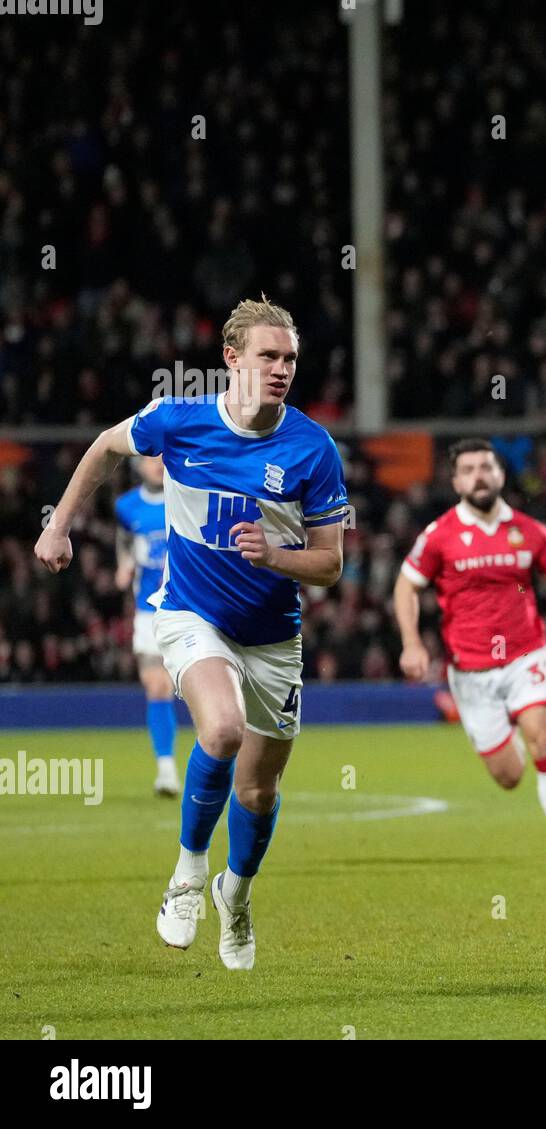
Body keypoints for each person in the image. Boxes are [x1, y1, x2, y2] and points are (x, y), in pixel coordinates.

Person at [34, 295, 349, 970]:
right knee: (222, 730)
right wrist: (58, 525)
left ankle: (236, 898)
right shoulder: (178, 419)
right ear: (232, 358)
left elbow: (330, 563)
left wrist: (275, 554)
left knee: (258, 791)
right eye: (269, 355)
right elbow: (104, 447)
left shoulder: (312, 447)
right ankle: (188, 874)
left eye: (290, 358)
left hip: (272, 636)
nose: (282, 368)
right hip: (190, 614)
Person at [394, 438, 546, 870]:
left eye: (485, 467)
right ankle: (508, 733)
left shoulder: (531, 531)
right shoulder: (438, 536)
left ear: (501, 475)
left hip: (527, 655)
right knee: (508, 777)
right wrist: (412, 642)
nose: (478, 476)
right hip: (470, 671)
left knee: (543, 737)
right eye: (468, 470)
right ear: (454, 481)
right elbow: (406, 585)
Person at [114, 454, 179, 795]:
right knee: (157, 686)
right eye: (149, 457)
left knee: (200, 693)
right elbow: (124, 541)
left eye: (163, 456)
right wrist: (124, 565)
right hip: (147, 611)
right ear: (137, 465)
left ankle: (216, 765)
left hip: (188, 608)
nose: (158, 462)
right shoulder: (125, 506)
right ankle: (166, 769)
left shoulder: (186, 494)